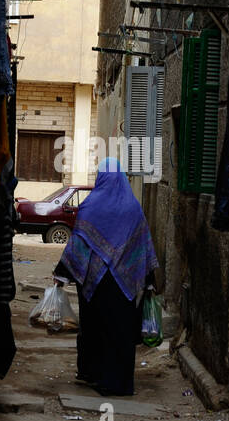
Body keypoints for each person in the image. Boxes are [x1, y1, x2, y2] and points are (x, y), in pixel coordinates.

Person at [53, 157, 159, 397]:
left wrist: (62, 274)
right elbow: (143, 245)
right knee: (120, 332)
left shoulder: (91, 206)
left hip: (95, 283)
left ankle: (93, 373)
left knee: (94, 329)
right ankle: (118, 383)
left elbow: (78, 244)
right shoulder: (133, 208)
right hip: (124, 285)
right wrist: (149, 280)